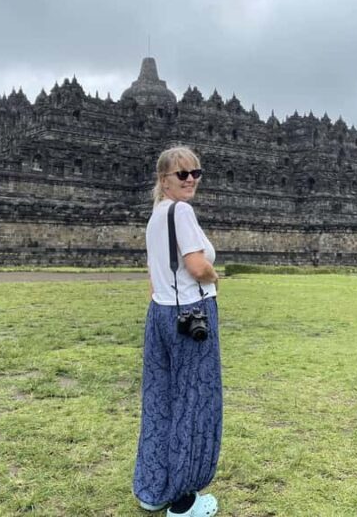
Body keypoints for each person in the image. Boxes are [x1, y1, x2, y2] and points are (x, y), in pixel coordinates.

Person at [134, 146, 222, 517]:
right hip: (192, 315)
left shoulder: (155, 216)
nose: (190, 180)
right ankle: (184, 501)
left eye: (195, 173)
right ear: (163, 180)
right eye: (181, 175)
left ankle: (152, 490)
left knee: (160, 400)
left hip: (160, 313)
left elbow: (154, 273)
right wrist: (216, 277)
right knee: (194, 402)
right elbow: (197, 264)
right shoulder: (181, 211)